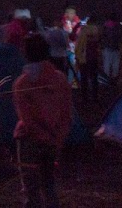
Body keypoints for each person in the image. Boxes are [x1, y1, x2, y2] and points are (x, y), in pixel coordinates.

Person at [14, 33, 73, 208]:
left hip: (28, 141)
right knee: (49, 185)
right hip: (53, 140)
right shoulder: (60, 80)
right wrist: (57, 140)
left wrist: (41, 137)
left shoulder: (21, 84)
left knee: (30, 188)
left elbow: (27, 119)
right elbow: (66, 115)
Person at [74, 16, 101, 101]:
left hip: (84, 57)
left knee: (84, 77)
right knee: (94, 77)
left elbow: (79, 44)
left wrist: (77, 55)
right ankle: (95, 96)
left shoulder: (84, 31)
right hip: (94, 57)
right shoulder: (97, 31)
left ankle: (84, 97)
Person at [100, 13, 122, 83]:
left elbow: (102, 37)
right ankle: (114, 80)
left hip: (107, 47)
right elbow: (121, 37)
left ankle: (106, 81)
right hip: (116, 48)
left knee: (107, 65)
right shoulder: (118, 27)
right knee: (115, 65)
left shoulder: (105, 26)